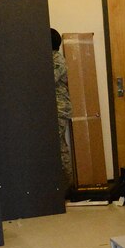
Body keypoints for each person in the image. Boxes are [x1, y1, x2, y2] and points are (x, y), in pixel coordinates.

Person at [50, 27, 72, 188]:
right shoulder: (52, 58)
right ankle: (65, 185)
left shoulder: (57, 59)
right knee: (60, 145)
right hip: (56, 107)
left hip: (59, 108)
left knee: (57, 145)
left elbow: (49, 79)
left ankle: (65, 185)